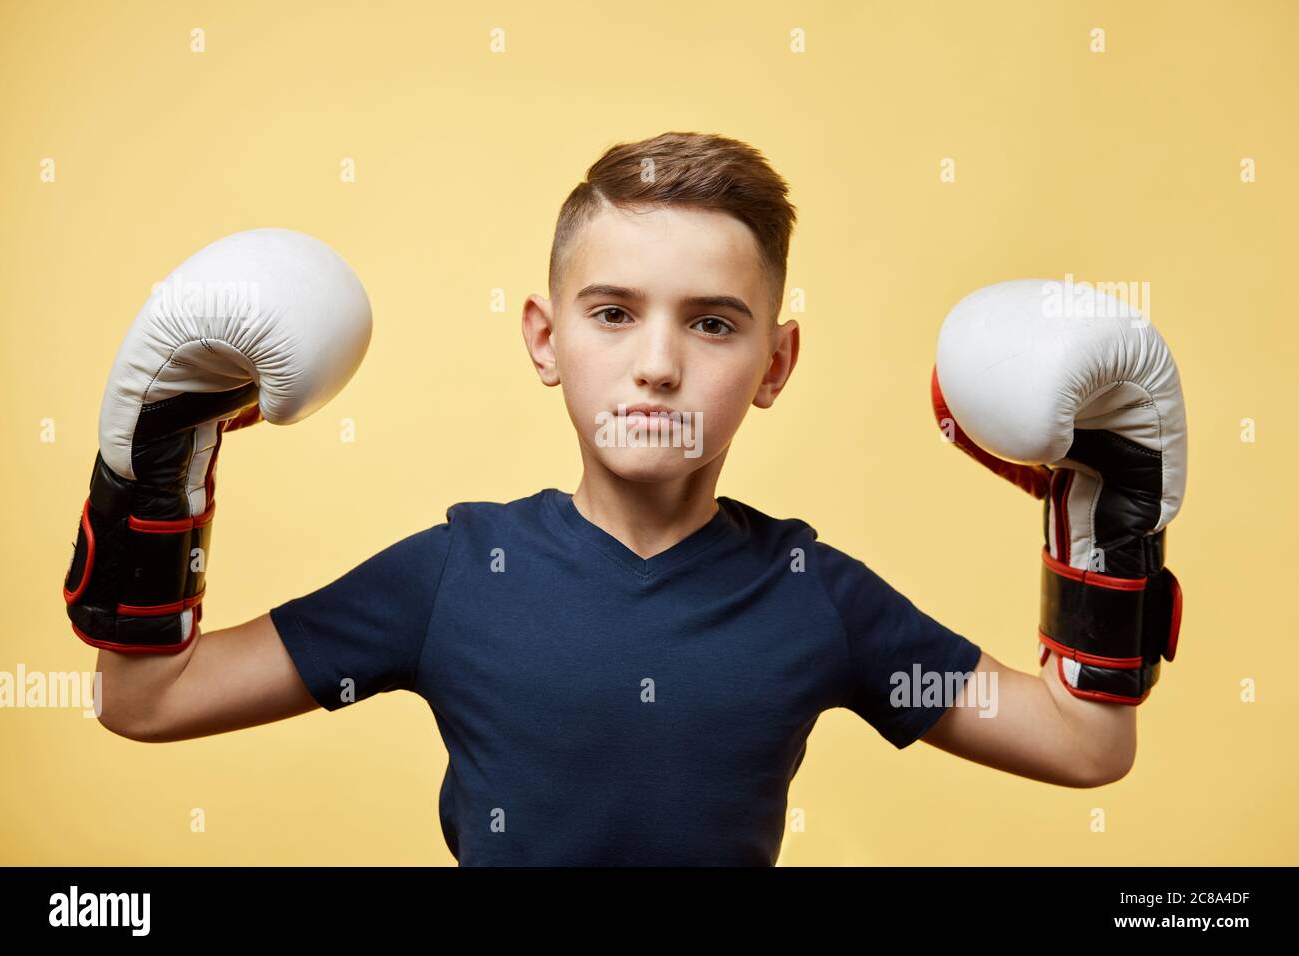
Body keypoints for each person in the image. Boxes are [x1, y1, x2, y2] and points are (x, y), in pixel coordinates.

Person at [66, 131, 1186, 866]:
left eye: (712, 321)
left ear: (776, 361)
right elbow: (148, 701)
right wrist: (161, 457)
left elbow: (1084, 745)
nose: (658, 364)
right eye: (612, 313)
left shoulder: (819, 598)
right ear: (544, 341)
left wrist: (1107, 511)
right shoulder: (455, 575)